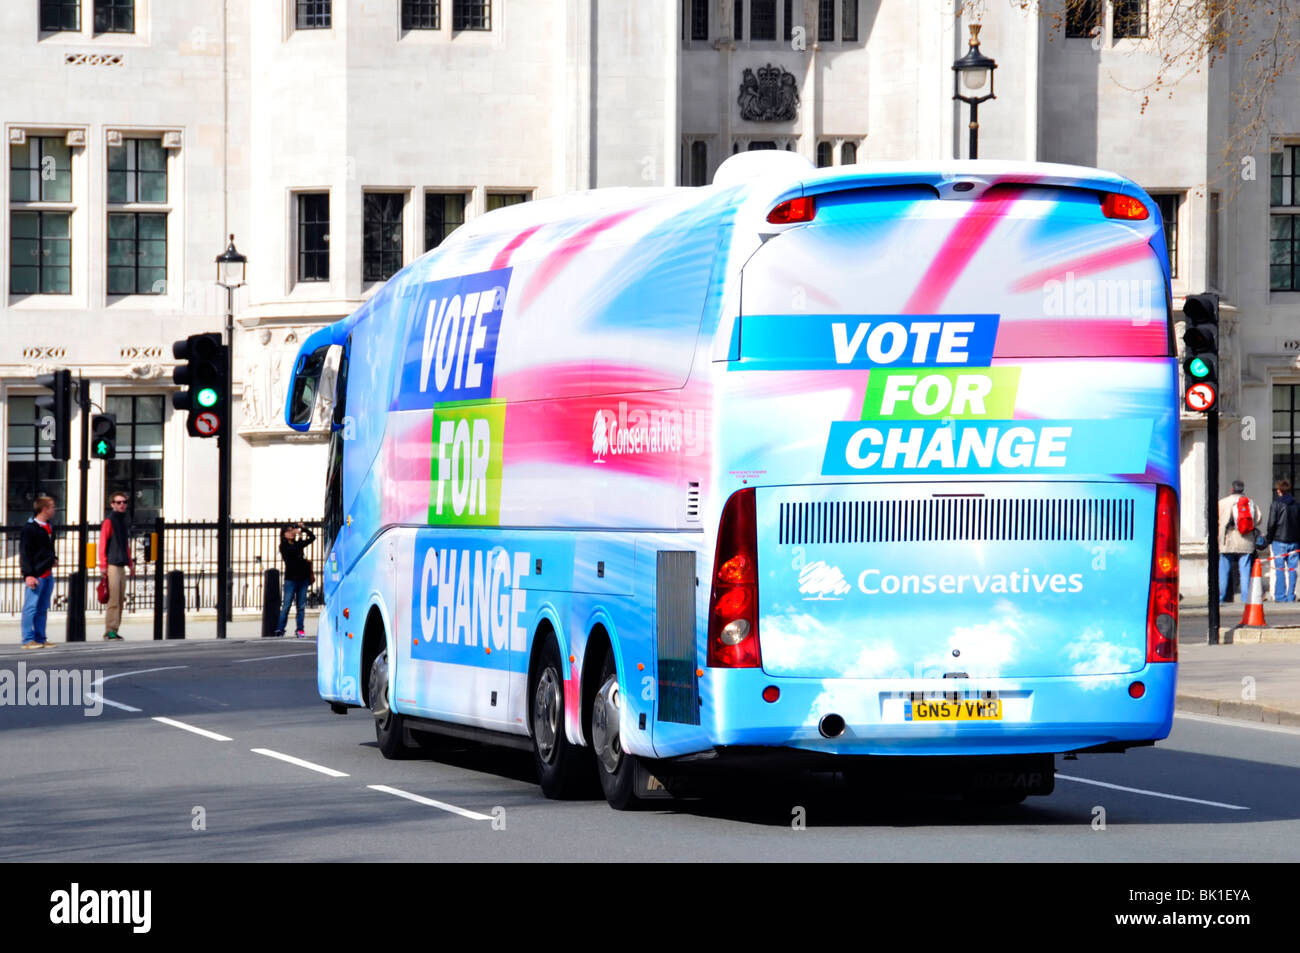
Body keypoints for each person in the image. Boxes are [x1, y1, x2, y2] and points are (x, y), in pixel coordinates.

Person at [19, 496, 58, 649]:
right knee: (31, 607)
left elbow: (49, 548)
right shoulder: (30, 528)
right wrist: (28, 574)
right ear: (44, 509)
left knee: (42, 608)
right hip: (36, 573)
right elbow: (25, 553)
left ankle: (40, 637)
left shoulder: (49, 526)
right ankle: (27, 639)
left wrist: (53, 558)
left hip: (47, 572)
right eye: (52, 507)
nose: (54, 510)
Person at [98, 490, 135, 640]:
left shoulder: (123, 520)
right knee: (113, 599)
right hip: (112, 564)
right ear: (112, 504)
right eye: (118, 502)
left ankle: (115, 628)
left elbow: (125, 544)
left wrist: (130, 563)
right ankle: (110, 630)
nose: (122, 505)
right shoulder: (109, 521)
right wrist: (103, 564)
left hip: (121, 564)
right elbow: (103, 543)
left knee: (120, 599)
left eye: (124, 502)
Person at [1218, 480, 1261, 603]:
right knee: (1245, 571)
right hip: (1246, 541)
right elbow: (1258, 519)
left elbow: (1216, 519)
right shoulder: (1250, 503)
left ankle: (1221, 598)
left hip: (1227, 541)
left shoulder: (1222, 503)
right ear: (1242, 490)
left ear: (1232, 489)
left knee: (1224, 571)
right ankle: (1246, 599)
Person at [277, 522, 316, 637]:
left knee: (301, 607)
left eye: (292, 530)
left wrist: (304, 529)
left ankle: (300, 629)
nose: (291, 533)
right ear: (284, 534)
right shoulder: (283, 546)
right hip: (291, 580)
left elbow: (312, 538)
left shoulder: (298, 543)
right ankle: (280, 629)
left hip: (303, 579)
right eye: (289, 531)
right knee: (286, 606)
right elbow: (292, 551)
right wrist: (298, 535)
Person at [1267, 479, 1300, 602]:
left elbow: (1272, 524)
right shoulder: (1296, 505)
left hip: (1279, 540)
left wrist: (1268, 539)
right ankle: (1291, 595)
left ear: (1279, 491)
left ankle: (1280, 596)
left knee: (1279, 569)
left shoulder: (1276, 504)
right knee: (1292, 570)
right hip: (1294, 541)